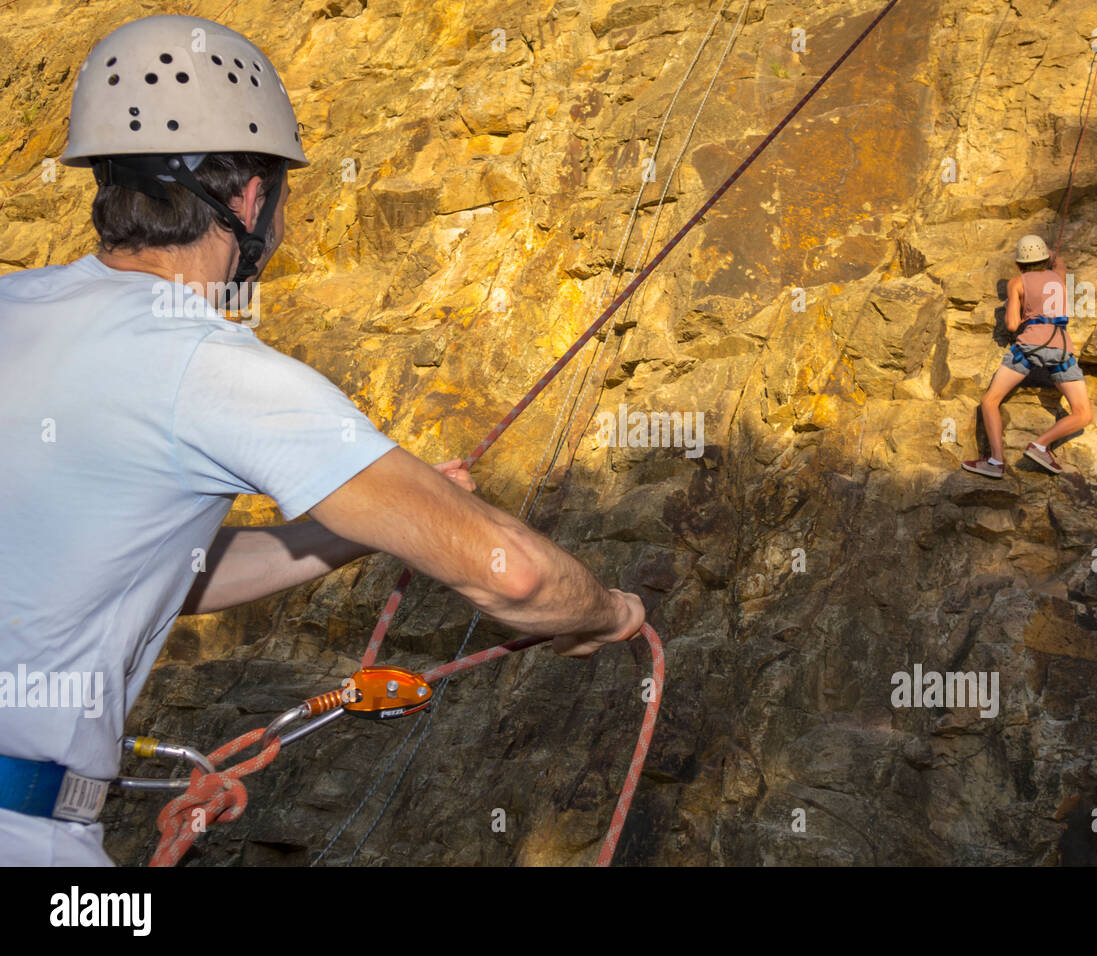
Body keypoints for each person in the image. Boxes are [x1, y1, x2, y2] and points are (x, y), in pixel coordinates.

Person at [0, 15, 644, 866]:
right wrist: (604, 612)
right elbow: (514, 575)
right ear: (250, 198)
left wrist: (348, 529)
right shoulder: (206, 364)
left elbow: (136, 569)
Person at [962, 234, 1093, 478]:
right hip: (1062, 348)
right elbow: (1059, 262)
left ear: (1019, 263)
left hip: (1030, 346)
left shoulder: (1017, 282)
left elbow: (1012, 325)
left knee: (990, 401)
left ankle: (995, 462)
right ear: (1045, 259)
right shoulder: (1059, 275)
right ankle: (1040, 445)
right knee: (1083, 414)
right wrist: (1049, 257)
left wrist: (1023, 312)